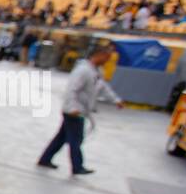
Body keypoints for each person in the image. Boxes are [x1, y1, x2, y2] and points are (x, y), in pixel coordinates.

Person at [37, 40, 125, 176]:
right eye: (106, 58)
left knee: (61, 137)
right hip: (74, 111)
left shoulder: (96, 71)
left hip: (81, 110)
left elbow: (103, 88)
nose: (107, 61)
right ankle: (77, 166)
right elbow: (71, 90)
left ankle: (45, 159)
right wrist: (72, 107)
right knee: (76, 140)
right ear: (99, 55)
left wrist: (116, 100)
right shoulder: (83, 70)